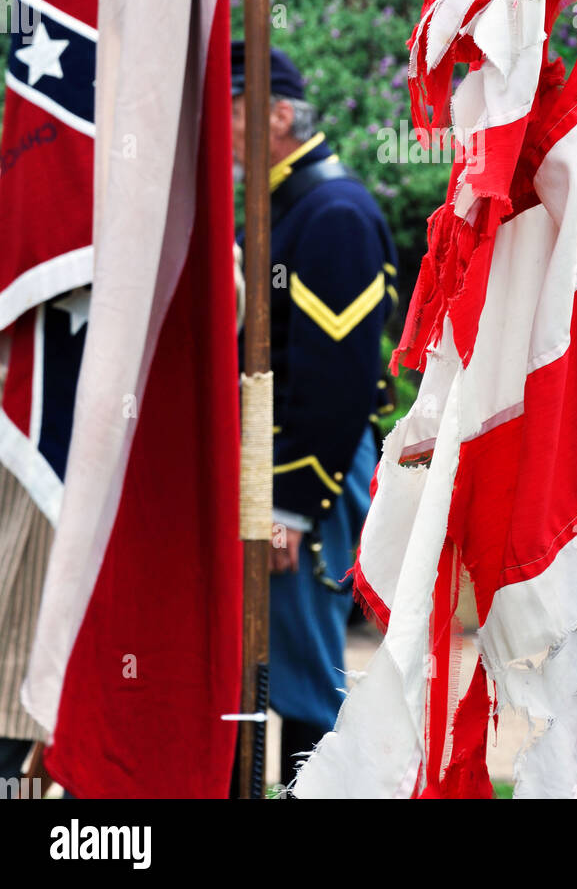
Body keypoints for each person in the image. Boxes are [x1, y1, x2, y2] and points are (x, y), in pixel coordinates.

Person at [230, 41, 397, 789]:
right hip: (268, 474)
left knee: (301, 681)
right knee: (250, 673)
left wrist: (292, 506)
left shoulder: (330, 213)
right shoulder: (281, 206)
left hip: (303, 476)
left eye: (235, 110)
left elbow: (338, 382)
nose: (223, 129)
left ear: (281, 115)